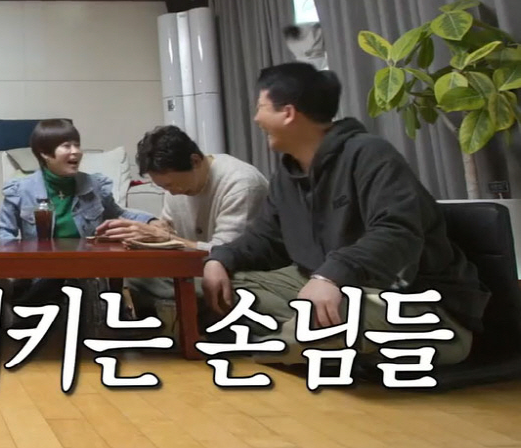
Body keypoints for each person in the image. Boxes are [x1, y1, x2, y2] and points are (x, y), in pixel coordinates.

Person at [202, 62, 489, 364]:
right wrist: (222, 258)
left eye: (261, 108)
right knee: (218, 288)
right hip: (332, 291)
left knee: (319, 321)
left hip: (422, 309)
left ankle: (263, 345)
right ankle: (274, 341)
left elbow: (398, 232)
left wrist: (330, 275)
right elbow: (266, 239)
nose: (256, 118)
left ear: (287, 113)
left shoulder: (370, 154)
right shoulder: (288, 176)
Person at [98, 125, 268, 324]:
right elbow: (169, 229)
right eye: (163, 187)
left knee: (208, 286)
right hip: (197, 265)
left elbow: (228, 253)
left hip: (243, 271)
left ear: (195, 161)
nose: (171, 192)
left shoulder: (241, 184)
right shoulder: (178, 186)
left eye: (171, 185)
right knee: (136, 276)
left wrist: (167, 238)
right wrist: (150, 234)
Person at [0, 118, 155, 242]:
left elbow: (119, 214)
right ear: (44, 153)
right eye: (67, 146)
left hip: (86, 266)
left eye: (77, 145)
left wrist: (151, 221)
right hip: (40, 269)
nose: (76, 152)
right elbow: (4, 233)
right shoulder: (20, 190)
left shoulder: (95, 185)